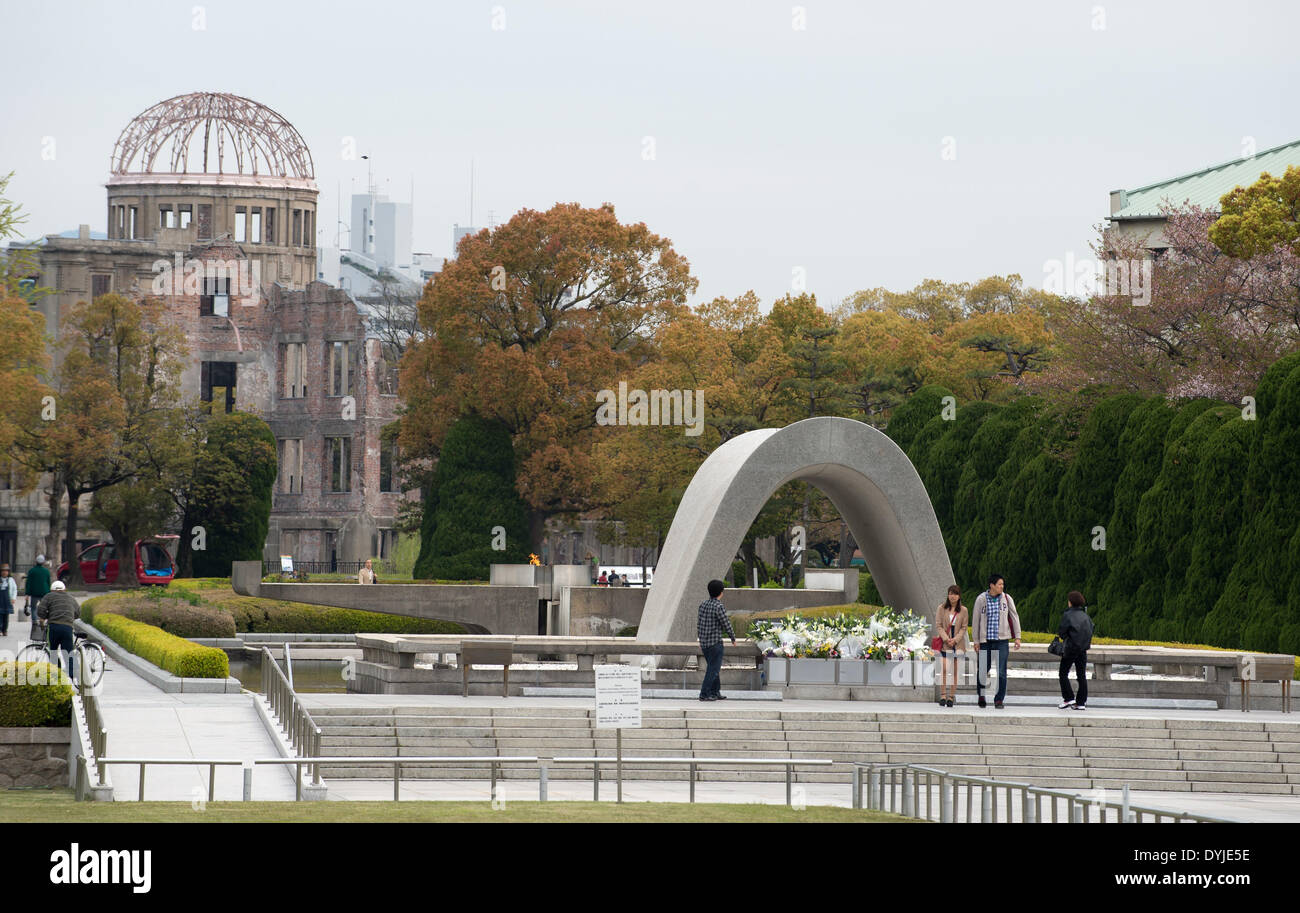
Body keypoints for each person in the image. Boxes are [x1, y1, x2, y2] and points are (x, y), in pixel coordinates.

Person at [971, 573, 1021, 709]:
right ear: (991, 585)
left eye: (1002, 584)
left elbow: (1014, 616)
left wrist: (1017, 637)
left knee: (1001, 671)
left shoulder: (1006, 598)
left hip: (1002, 641)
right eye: (999, 584)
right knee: (983, 669)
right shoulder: (981, 599)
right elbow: (976, 621)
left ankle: (999, 699)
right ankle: (981, 695)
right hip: (985, 641)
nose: (1001, 587)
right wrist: (976, 640)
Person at [696, 578, 736, 702]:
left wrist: (701, 639)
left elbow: (699, 624)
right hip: (715, 643)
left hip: (704, 643)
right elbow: (726, 624)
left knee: (713, 668)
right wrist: (732, 638)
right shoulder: (719, 606)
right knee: (713, 669)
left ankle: (715, 691)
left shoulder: (703, 605)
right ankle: (704, 693)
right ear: (721, 592)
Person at [1057, 590, 1095, 710]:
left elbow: (1062, 632)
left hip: (1070, 649)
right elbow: (1091, 630)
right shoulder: (1086, 616)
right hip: (1082, 649)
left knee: (1063, 673)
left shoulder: (1067, 615)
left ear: (1070, 602)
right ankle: (1081, 702)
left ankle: (1068, 698)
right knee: (1081, 676)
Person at [37, 580, 81, 681]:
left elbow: (41, 610)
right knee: (68, 652)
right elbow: (78, 612)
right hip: (67, 628)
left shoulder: (49, 596)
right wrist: (68, 617)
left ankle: (56, 675)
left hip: (54, 627)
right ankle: (73, 677)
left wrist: (46, 616)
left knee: (53, 651)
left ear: (52, 590)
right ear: (64, 589)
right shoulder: (70, 598)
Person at [934, 584, 968, 708]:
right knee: (944, 668)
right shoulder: (941, 608)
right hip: (945, 643)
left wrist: (955, 639)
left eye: (955, 594)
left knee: (955, 671)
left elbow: (964, 628)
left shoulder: (963, 610)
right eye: (950, 593)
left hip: (958, 643)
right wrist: (946, 639)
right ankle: (943, 695)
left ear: (959, 596)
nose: (952, 596)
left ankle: (951, 697)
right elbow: (938, 625)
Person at [25, 555, 51, 627]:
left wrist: (27, 593)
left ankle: (34, 621)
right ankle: (43, 620)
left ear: (36, 562)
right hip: (44, 592)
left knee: (33, 608)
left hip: (34, 593)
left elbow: (28, 583)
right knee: (45, 608)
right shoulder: (46, 571)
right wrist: (49, 592)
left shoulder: (32, 571)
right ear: (43, 562)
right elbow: (48, 582)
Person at [0, 564, 15, 637]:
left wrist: (13, 598)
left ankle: (4, 630)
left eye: (6, 571)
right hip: (0, 600)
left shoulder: (11, 580)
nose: (4, 572)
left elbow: (14, 589)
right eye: (3, 571)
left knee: (6, 617)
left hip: (7, 600)